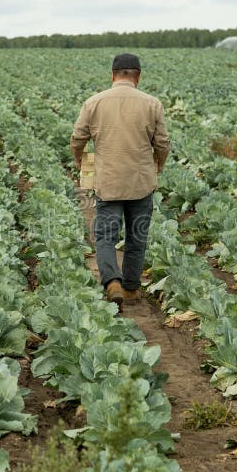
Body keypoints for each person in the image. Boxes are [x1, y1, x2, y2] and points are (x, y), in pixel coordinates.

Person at [70, 53, 170, 310]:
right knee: (137, 235)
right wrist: (158, 165)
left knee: (105, 235)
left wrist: (81, 161)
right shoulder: (152, 104)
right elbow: (162, 144)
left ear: (113, 75)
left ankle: (111, 282)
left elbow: (77, 138)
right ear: (138, 76)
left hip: (108, 181)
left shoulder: (94, 102)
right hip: (140, 182)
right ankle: (131, 288)